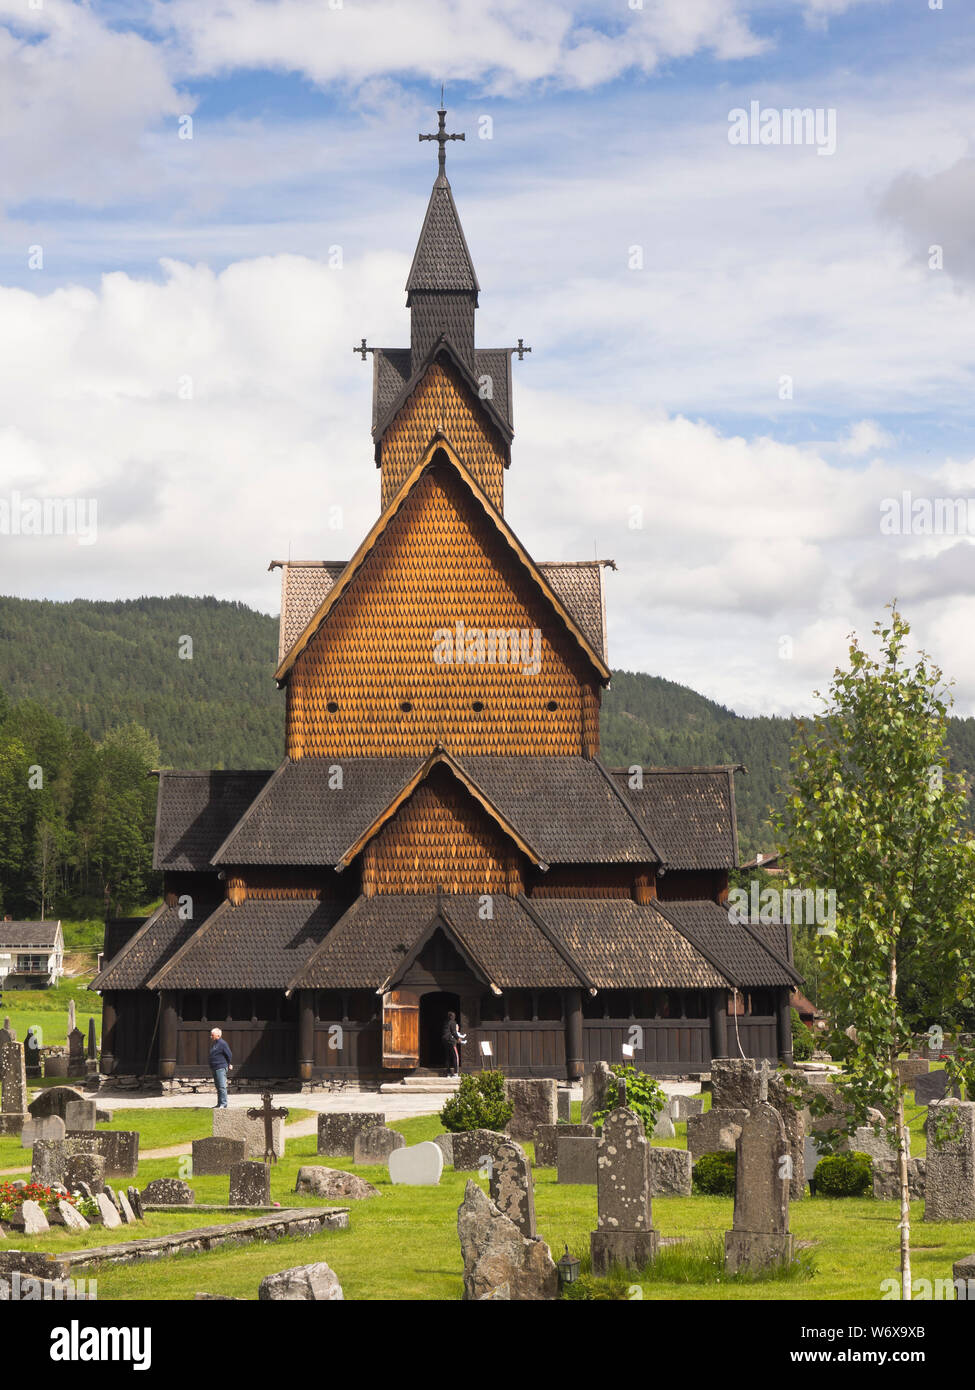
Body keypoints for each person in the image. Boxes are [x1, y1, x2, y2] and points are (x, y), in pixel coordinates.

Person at [209, 1027, 232, 1107]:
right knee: (218, 1087)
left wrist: (229, 1063)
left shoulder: (222, 1043)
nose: (211, 1036)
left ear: (218, 1035)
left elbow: (229, 1054)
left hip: (221, 1067)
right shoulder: (215, 1043)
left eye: (212, 1035)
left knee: (222, 1086)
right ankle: (219, 1104)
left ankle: (223, 1104)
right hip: (215, 1067)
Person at [442, 1011, 466, 1078]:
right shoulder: (453, 1022)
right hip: (451, 1041)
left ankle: (448, 1073)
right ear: (452, 1017)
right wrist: (458, 1038)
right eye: (453, 1016)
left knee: (447, 1057)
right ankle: (455, 1073)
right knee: (455, 1056)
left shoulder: (445, 1022)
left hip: (445, 1040)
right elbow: (454, 1032)